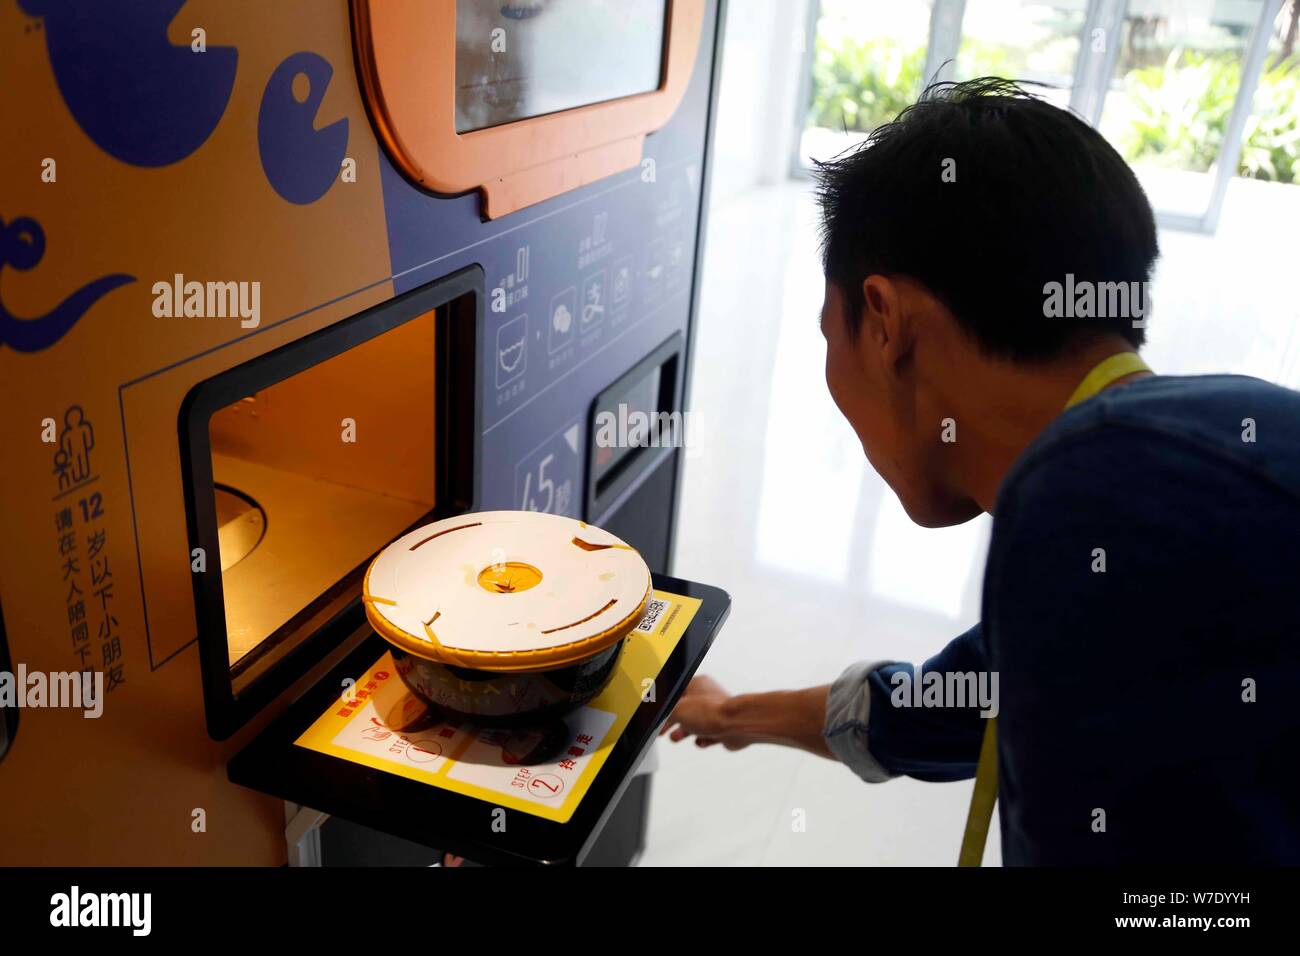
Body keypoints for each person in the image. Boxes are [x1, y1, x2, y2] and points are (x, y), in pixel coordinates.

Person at [661, 78, 1300, 865]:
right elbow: (957, 703)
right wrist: (731, 716)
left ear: (886, 322)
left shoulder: (1088, 492)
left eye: (832, 332)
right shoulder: (1178, 462)